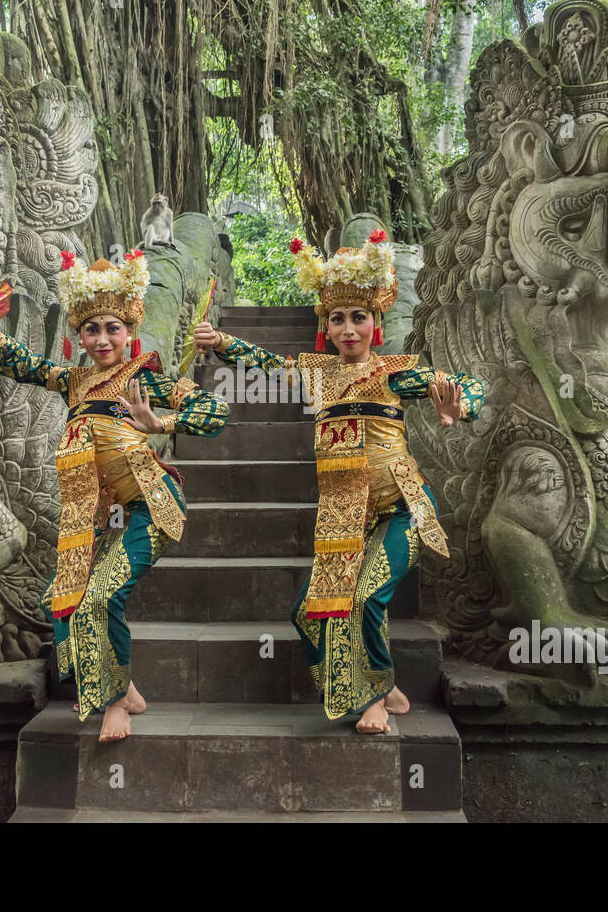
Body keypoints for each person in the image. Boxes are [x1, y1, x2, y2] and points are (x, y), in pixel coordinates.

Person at [193, 230, 485, 734]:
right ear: (325, 326)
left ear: (375, 322)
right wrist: (221, 342)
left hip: (403, 509)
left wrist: (461, 403)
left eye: (358, 317)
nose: (348, 328)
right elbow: (264, 364)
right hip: (344, 518)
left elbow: (465, 383)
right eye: (337, 318)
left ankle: (370, 697)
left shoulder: (396, 372)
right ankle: (381, 685)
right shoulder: (317, 374)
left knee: (366, 596)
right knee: (308, 613)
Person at [0, 250, 228, 742]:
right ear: (78, 336)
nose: (102, 340)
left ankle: (113, 703)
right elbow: (31, 367)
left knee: (102, 595)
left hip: (152, 506)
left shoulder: (146, 378)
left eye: (113, 328)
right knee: (61, 600)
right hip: (103, 519)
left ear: (130, 331)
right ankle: (123, 690)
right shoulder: (75, 380)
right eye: (92, 330)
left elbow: (215, 411)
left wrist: (161, 422)